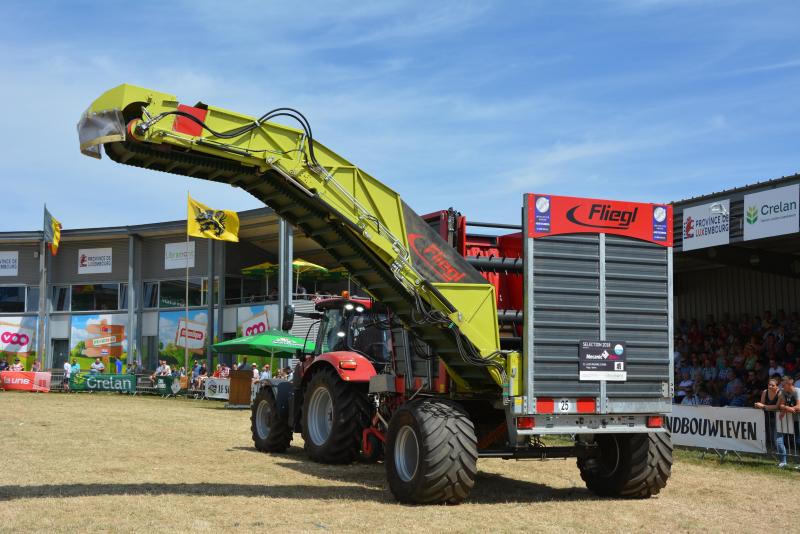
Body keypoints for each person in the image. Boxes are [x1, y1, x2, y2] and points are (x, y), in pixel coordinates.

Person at [776, 375, 798, 468]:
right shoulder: (784, 392)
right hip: (793, 420)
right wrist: (787, 408)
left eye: (783, 384)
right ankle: (784, 462)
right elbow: (781, 405)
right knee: (797, 441)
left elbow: (799, 406)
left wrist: (788, 408)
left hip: (797, 419)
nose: (782, 386)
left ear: (789, 384)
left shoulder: (797, 391)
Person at [755, 378, 782, 453]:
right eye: (769, 385)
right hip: (766, 416)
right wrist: (758, 405)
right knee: (768, 434)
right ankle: (770, 450)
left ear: (777, 386)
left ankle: (778, 451)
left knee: (775, 436)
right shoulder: (765, 392)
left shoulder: (780, 393)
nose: (770, 386)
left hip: (777, 418)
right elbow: (762, 403)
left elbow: (777, 407)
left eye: (772, 385)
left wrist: (763, 407)